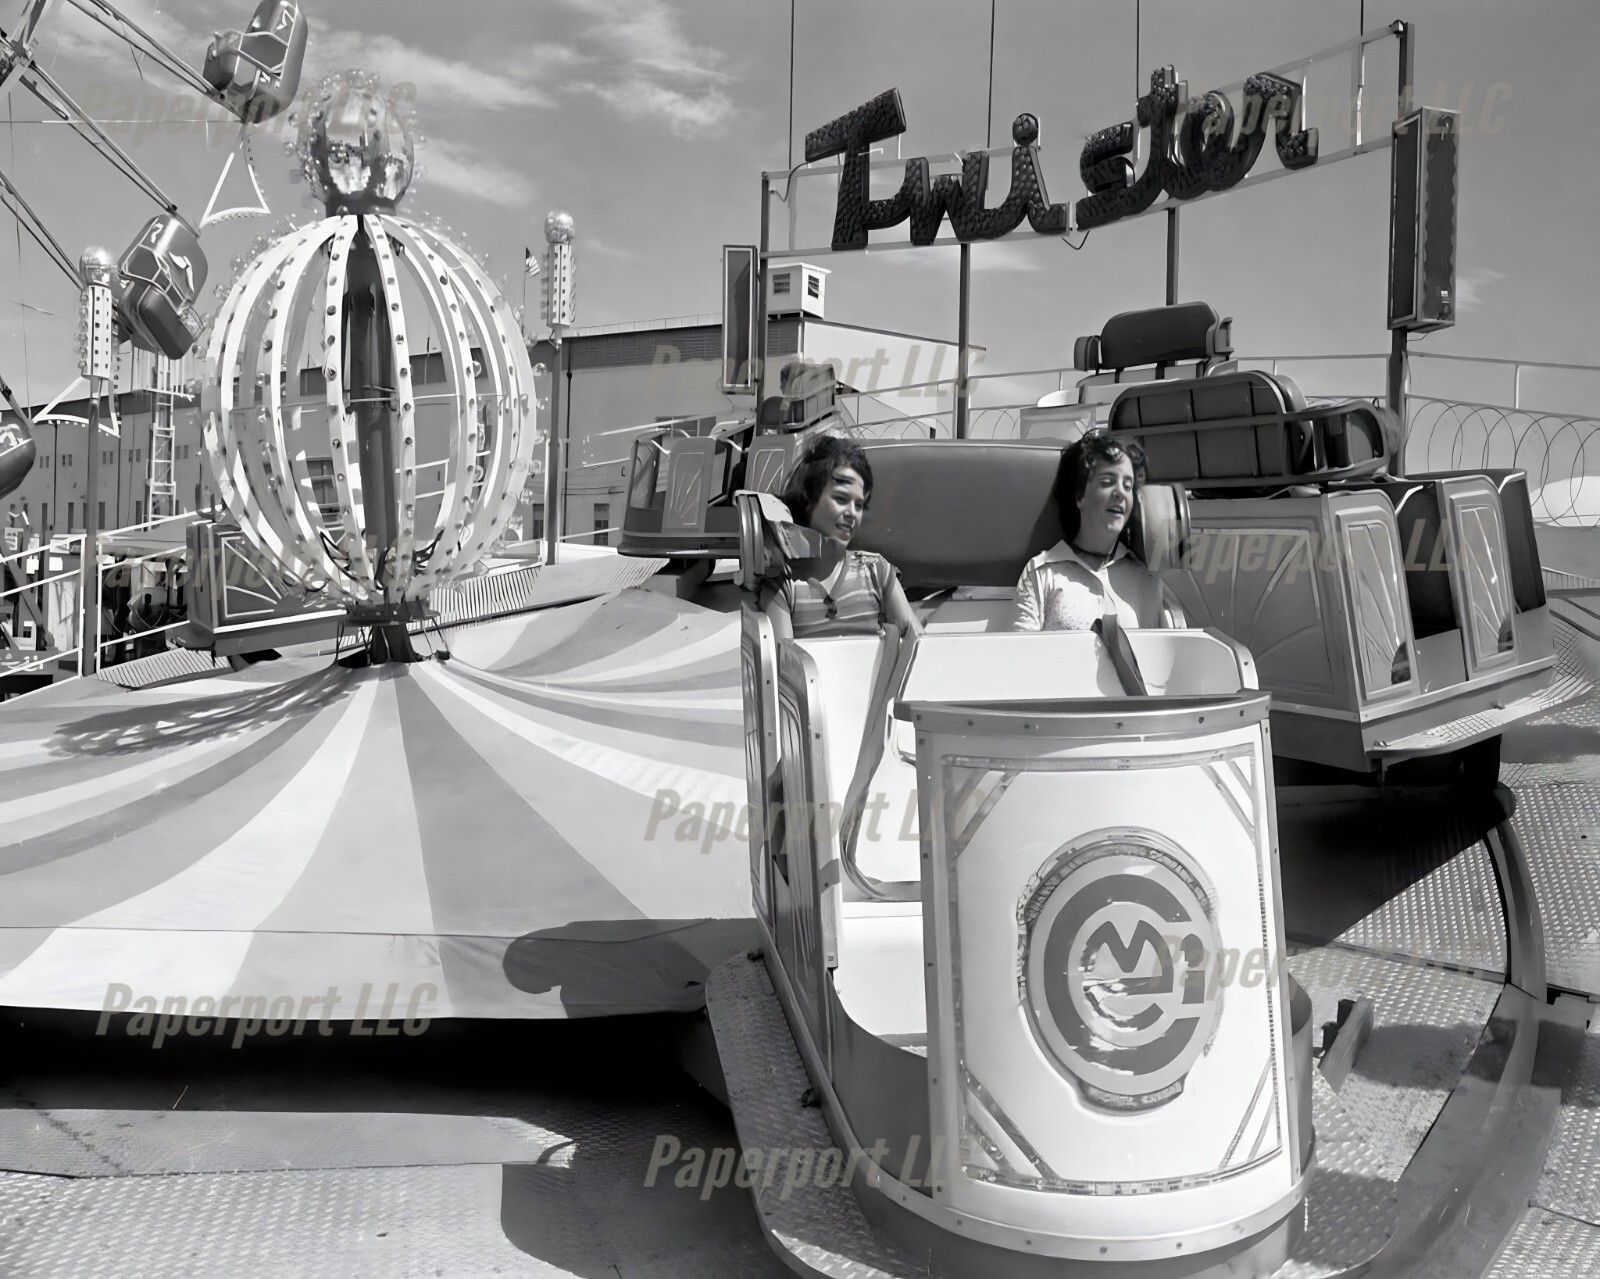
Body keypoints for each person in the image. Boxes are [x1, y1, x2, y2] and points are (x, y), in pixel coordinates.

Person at [1014, 432, 1187, 631]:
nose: (1120, 493)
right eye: (1107, 481)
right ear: (1080, 496)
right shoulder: (1042, 573)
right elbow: (1020, 658)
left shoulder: (1147, 576)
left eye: (1128, 485)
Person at [763, 435, 919, 641]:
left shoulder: (877, 572)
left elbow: (916, 643)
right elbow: (785, 666)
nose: (852, 513)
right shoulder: (784, 586)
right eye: (841, 499)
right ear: (809, 499)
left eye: (859, 505)